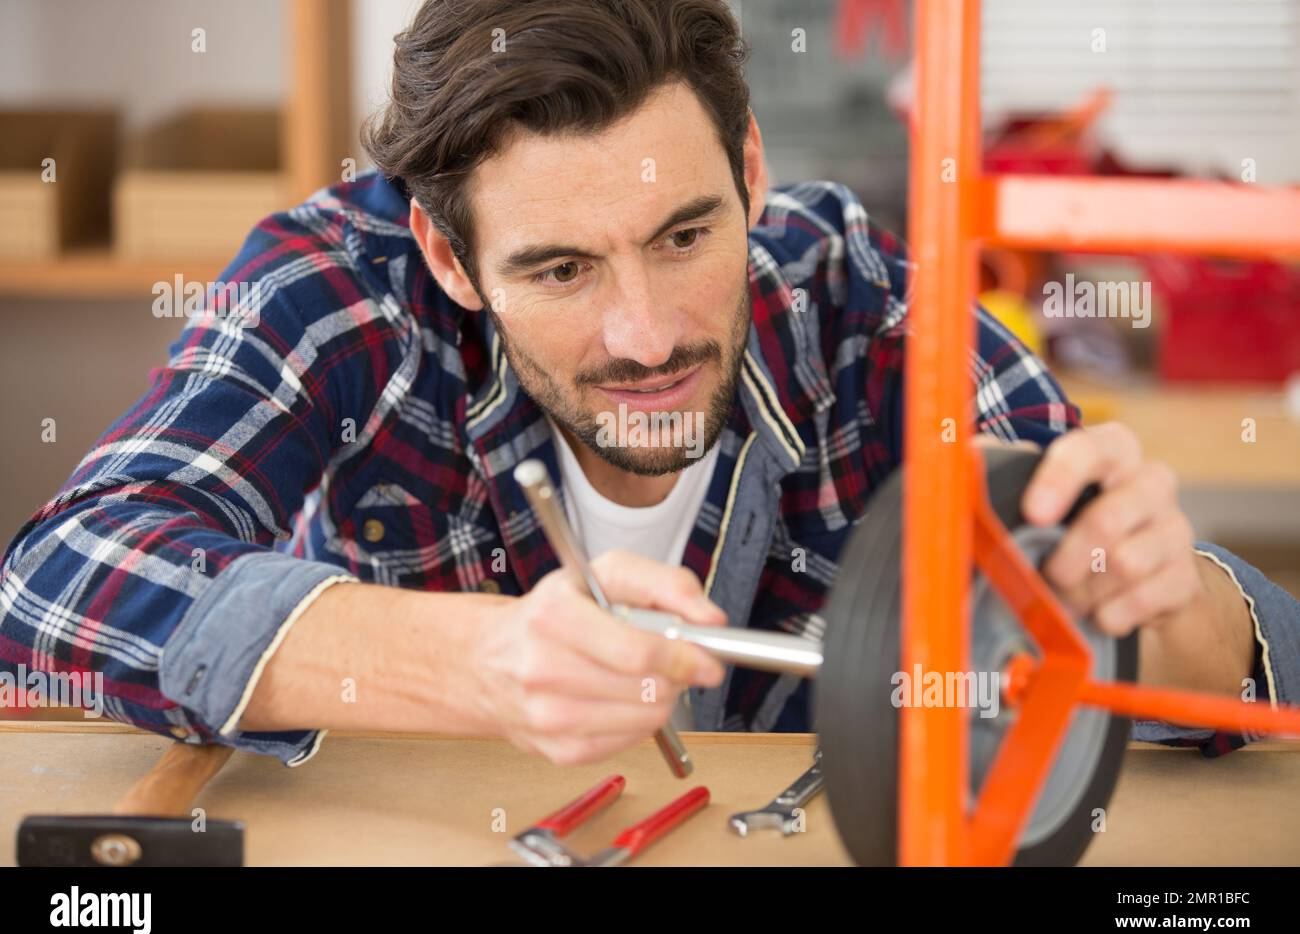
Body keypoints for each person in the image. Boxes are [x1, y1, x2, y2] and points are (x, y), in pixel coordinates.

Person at [2, 0, 1296, 769]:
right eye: (560, 269)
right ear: (449, 255)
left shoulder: (872, 307)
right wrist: (477, 663)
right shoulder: (340, 284)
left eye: (686, 235)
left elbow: (1203, 671)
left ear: (749, 166)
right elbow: (57, 578)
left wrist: (1168, 610)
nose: (645, 336)